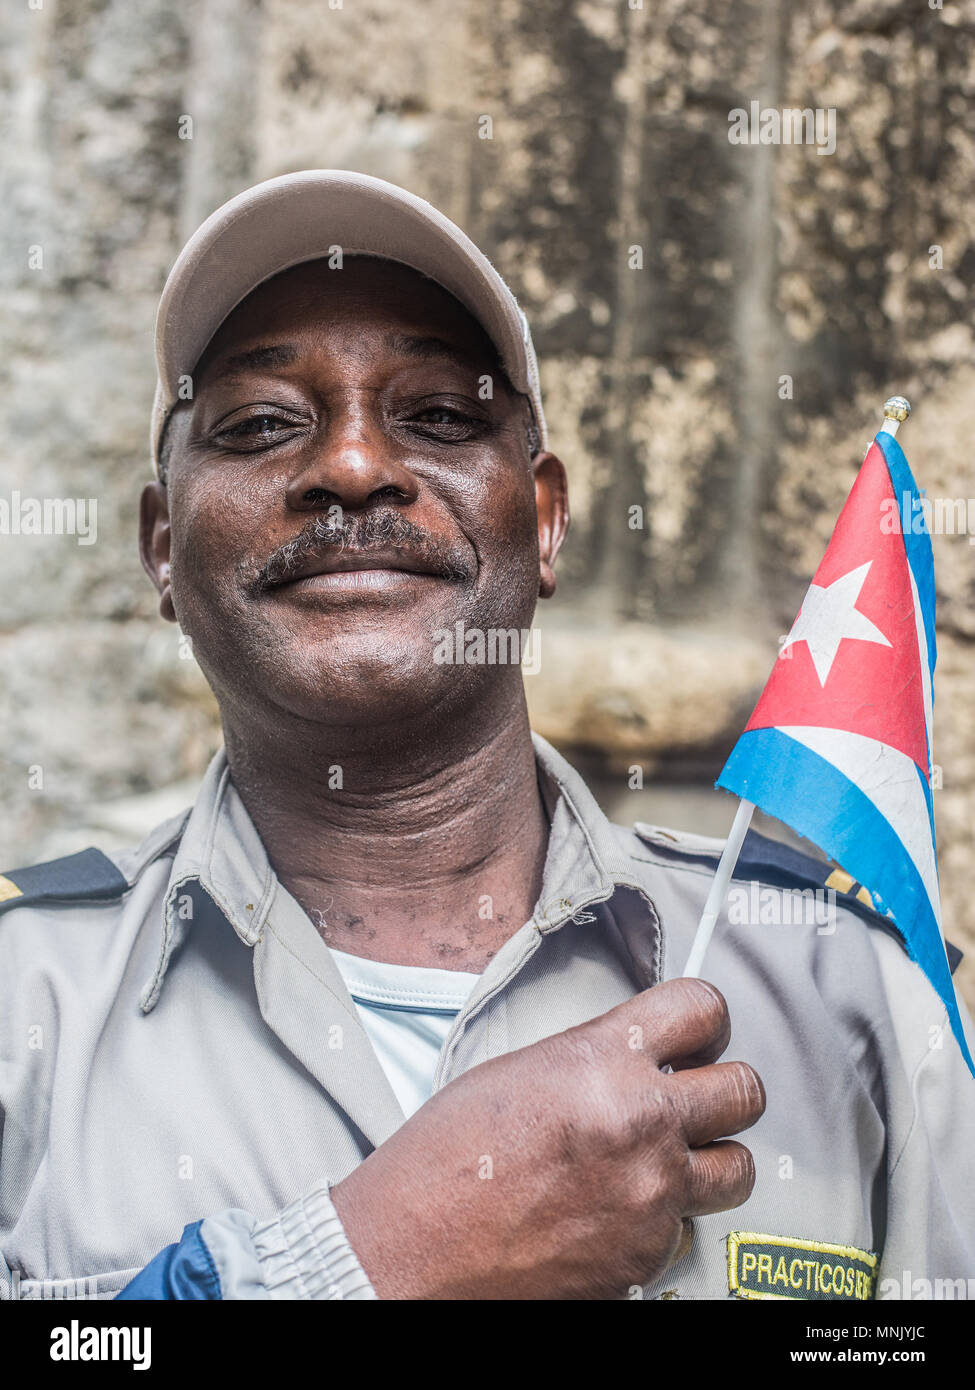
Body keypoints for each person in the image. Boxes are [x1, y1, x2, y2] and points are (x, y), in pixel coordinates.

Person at [1, 171, 972, 1303]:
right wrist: (368, 1263)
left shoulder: (841, 989)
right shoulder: (25, 1003)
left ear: (546, 519)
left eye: (441, 417)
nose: (355, 466)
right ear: (162, 546)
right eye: (263, 425)